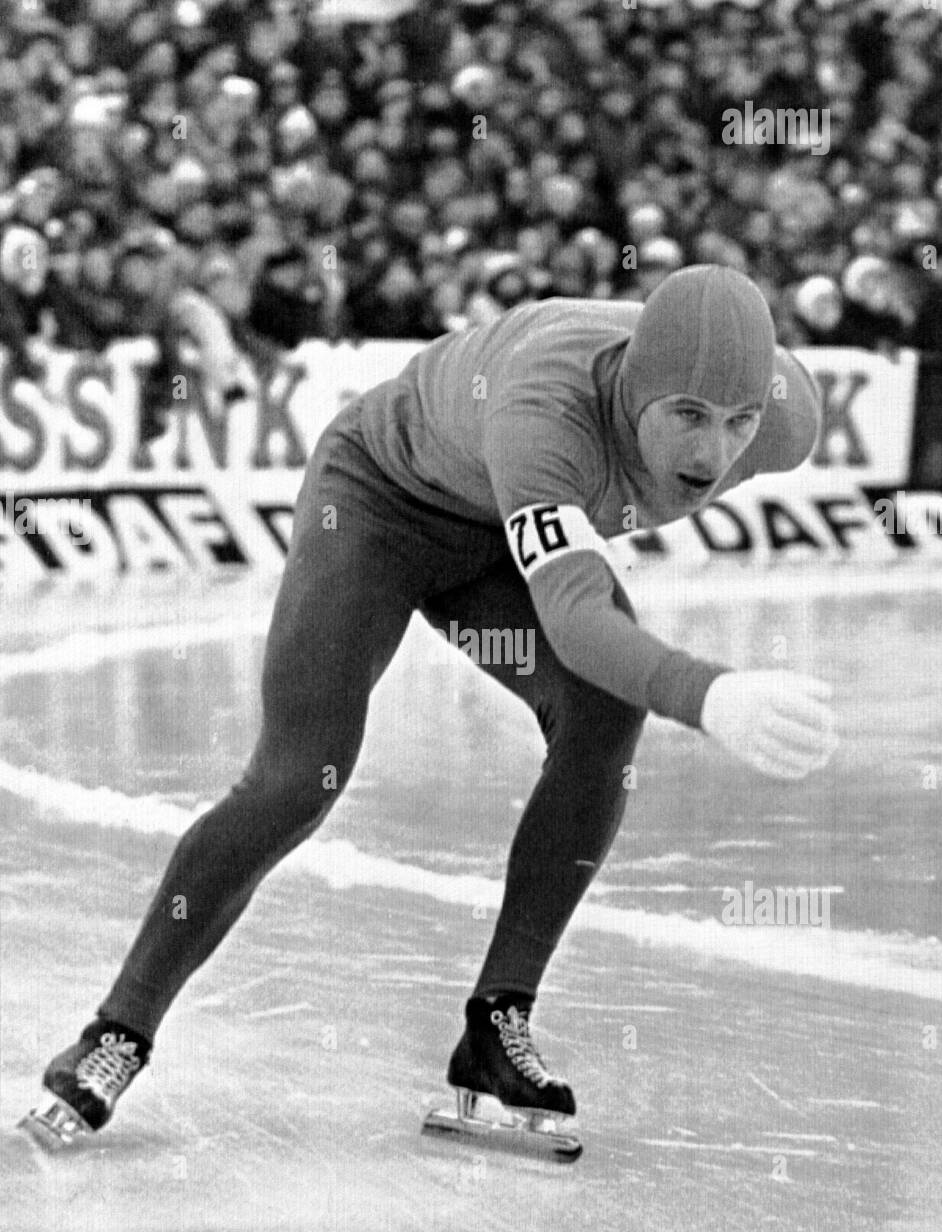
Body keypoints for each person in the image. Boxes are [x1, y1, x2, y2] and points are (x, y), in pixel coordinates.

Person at [22, 266, 836, 1157]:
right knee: (300, 777)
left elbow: (589, 608)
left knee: (604, 712)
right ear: (633, 386)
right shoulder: (547, 407)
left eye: (737, 423)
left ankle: (497, 1025)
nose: (712, 456)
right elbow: (573, 616)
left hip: (494, 539)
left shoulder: (785, 415)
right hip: (378, 504)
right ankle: (117, 1031)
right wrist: (709, 692)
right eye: (685, 414)